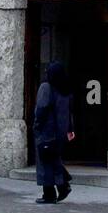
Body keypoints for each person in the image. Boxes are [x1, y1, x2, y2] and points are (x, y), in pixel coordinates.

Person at [33, 61, 75, 204]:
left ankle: (49, 194)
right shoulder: (66, 90)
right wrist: (69, 129)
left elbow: (41, 108)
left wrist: (37, 126)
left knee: (45, 162)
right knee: (53, 159)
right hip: (60, 133)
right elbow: (69, 112)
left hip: (47, 131)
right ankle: (63, 186)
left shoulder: (46, 87)